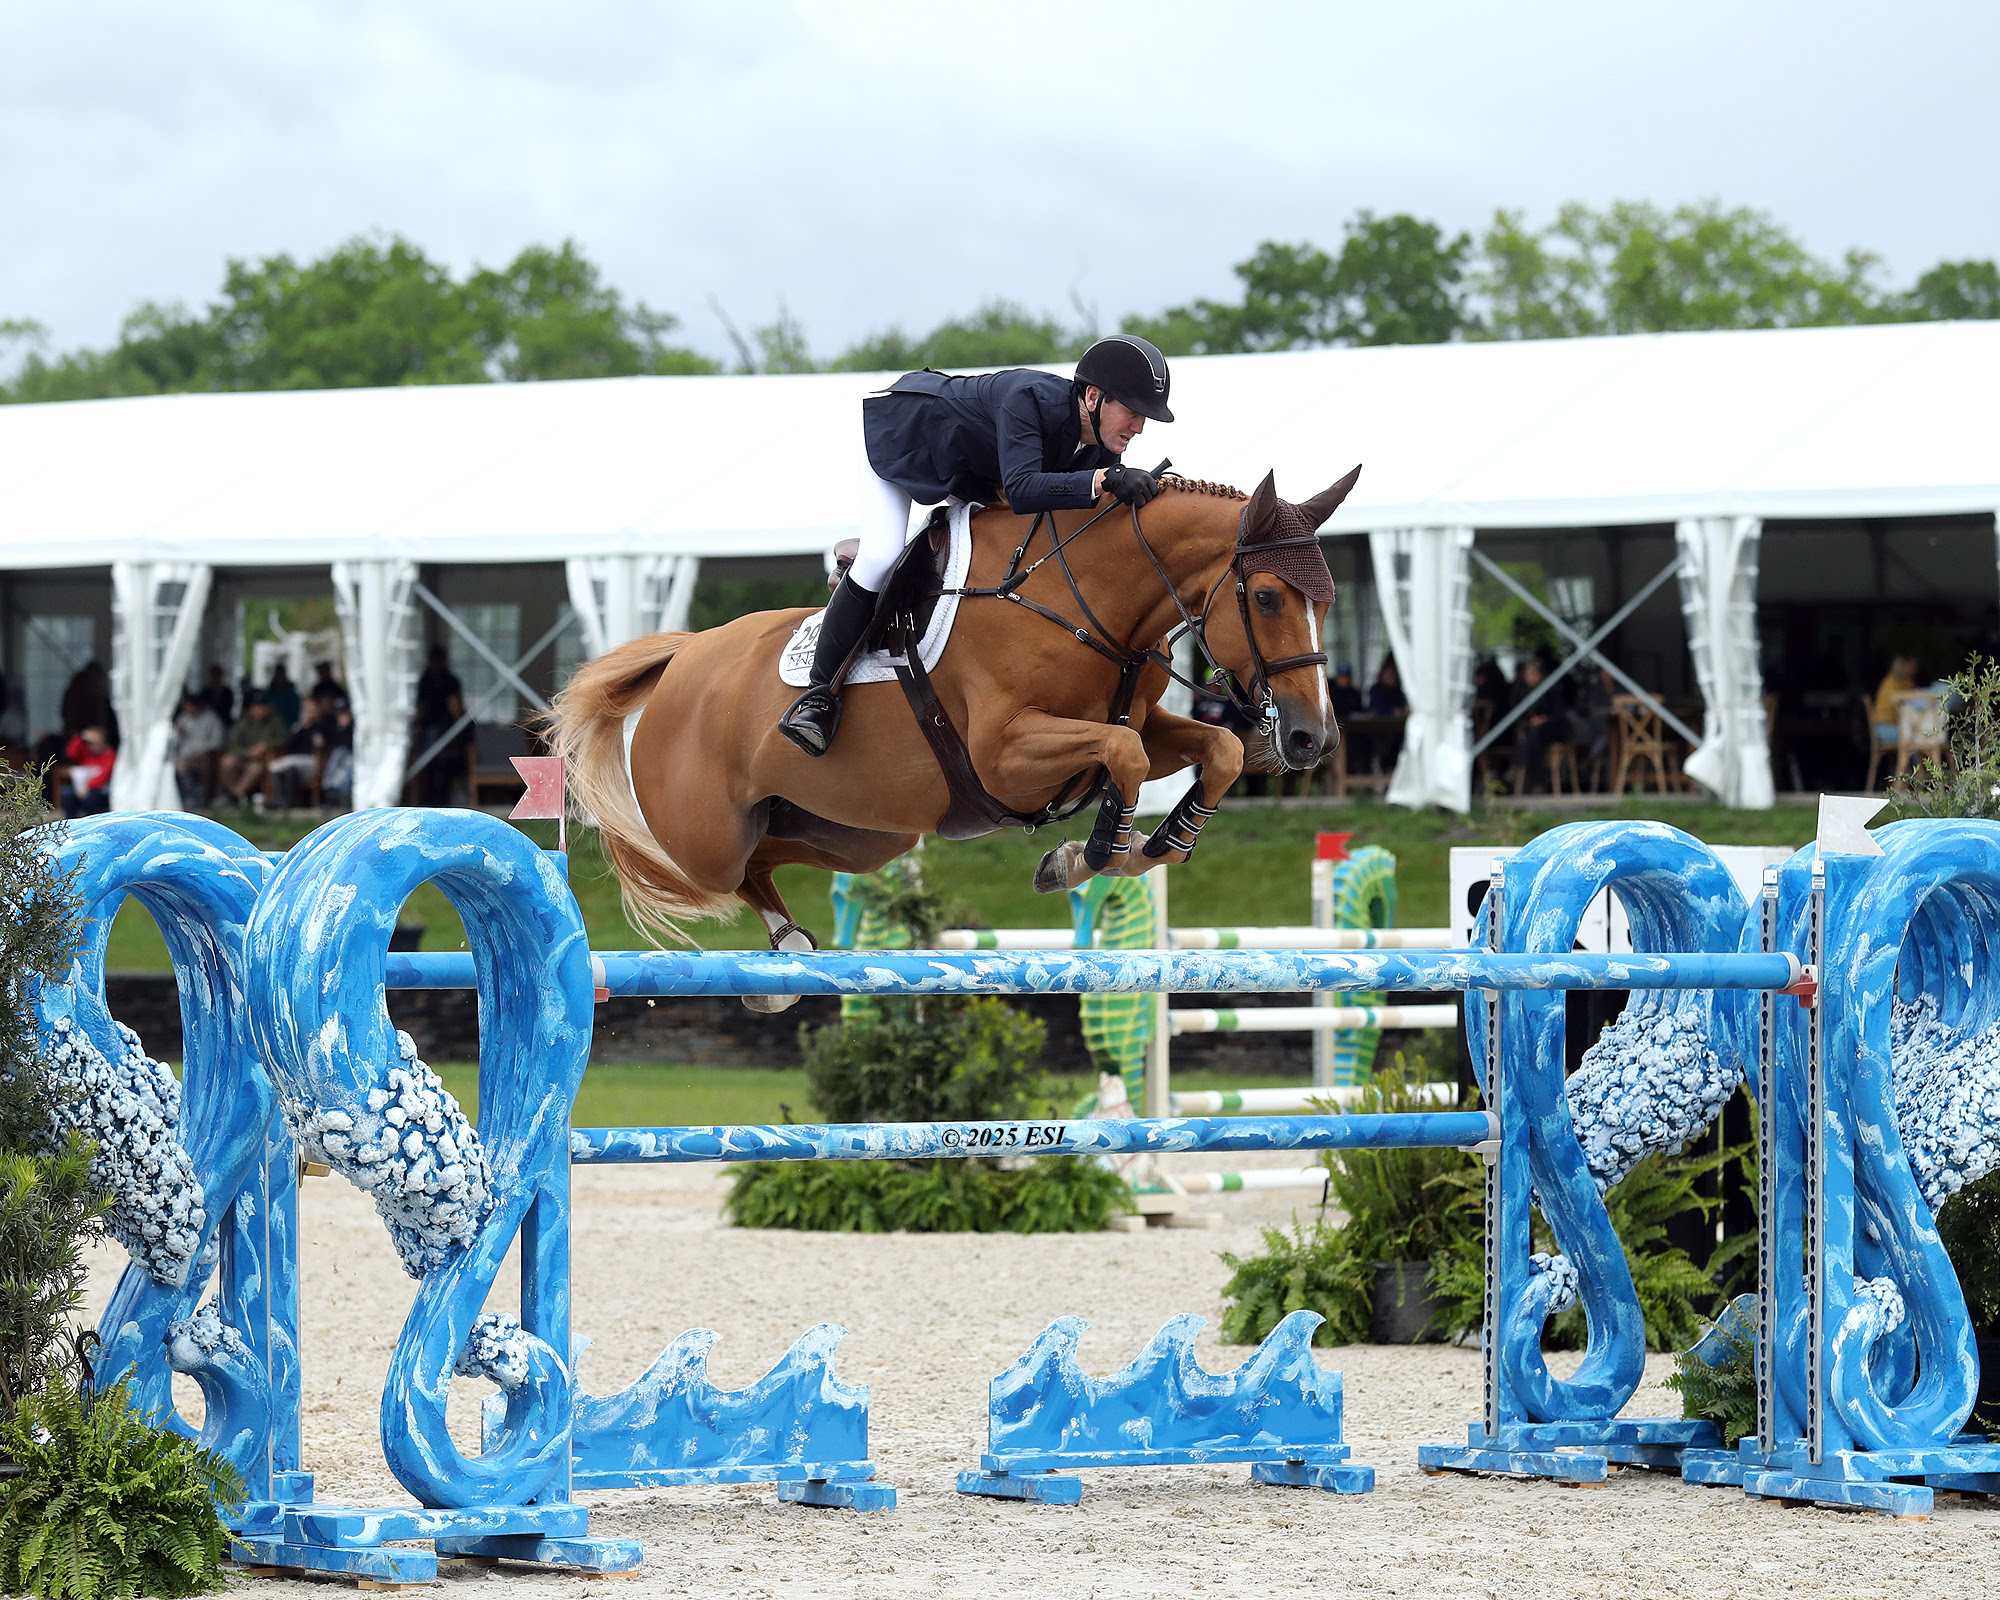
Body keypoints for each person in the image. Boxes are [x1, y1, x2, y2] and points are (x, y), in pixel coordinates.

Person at [779, 334, 1176, 756]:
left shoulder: (1096, 444)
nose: (1139, 428)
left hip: (976, 473)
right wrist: (1102, 481)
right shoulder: (1028, 398)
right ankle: (818, 698)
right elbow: (1023, 490)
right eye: (1132, 413)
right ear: (1093, 397)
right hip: (908, 439)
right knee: (881, 557)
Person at [412, 646, 469, 806]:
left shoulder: (447, 681)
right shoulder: (427, 681)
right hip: (433, 730)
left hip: (443, 730)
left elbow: (455, 707)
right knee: (432, 765)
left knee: (439, 766)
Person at [220, 693, 287, 807]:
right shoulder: (243, 722)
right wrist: (248, 752)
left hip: (262, 759)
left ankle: (235, 795)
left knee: (255, 768)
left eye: (262, 707)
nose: (259, 710)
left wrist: (265, 746)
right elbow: (233, 744)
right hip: (243, 756)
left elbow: (284, 739)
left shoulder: (275, 721)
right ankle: (236, 795)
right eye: (256, 707)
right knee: (226, 762)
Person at [172, 691, 227, 806]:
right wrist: (179, 733)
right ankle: (189, 796)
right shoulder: (183, 719)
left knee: (205, 764)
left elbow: (217, 741)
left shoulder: (211, 719)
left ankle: (203, 797)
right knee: (180, 766)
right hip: (185, 756)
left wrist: (201, 752)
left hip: (205, 755)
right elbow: (176, 742)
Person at [59, 726, 115, 817]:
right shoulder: (86, 753)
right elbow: (70, 753)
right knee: (66, 793)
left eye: (94, 743)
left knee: (90, 797)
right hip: (81, 790)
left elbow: (105, 775)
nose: (91, 746)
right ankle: (69, 821)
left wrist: (88, 786)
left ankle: (92, 819)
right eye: (89, 743)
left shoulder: (109, 755)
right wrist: (80, 738)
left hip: (99, 792)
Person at [1873, 654, 1920, 744]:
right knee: (1914, 737)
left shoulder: (1909, 682)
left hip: (1900, 726)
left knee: (1920, 735)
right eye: (1913, 665)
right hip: (1885, 727)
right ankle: (1913, 758)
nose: (1915, 669)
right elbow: (1897, 707)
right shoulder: (1890, 682)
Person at [265, 664, 302, 730]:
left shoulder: (292, 695)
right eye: (277, 674)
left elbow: (295, 715)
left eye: (281, 674)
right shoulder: (268, 693)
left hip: (286, 728)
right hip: (269, 728)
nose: (279, 677)